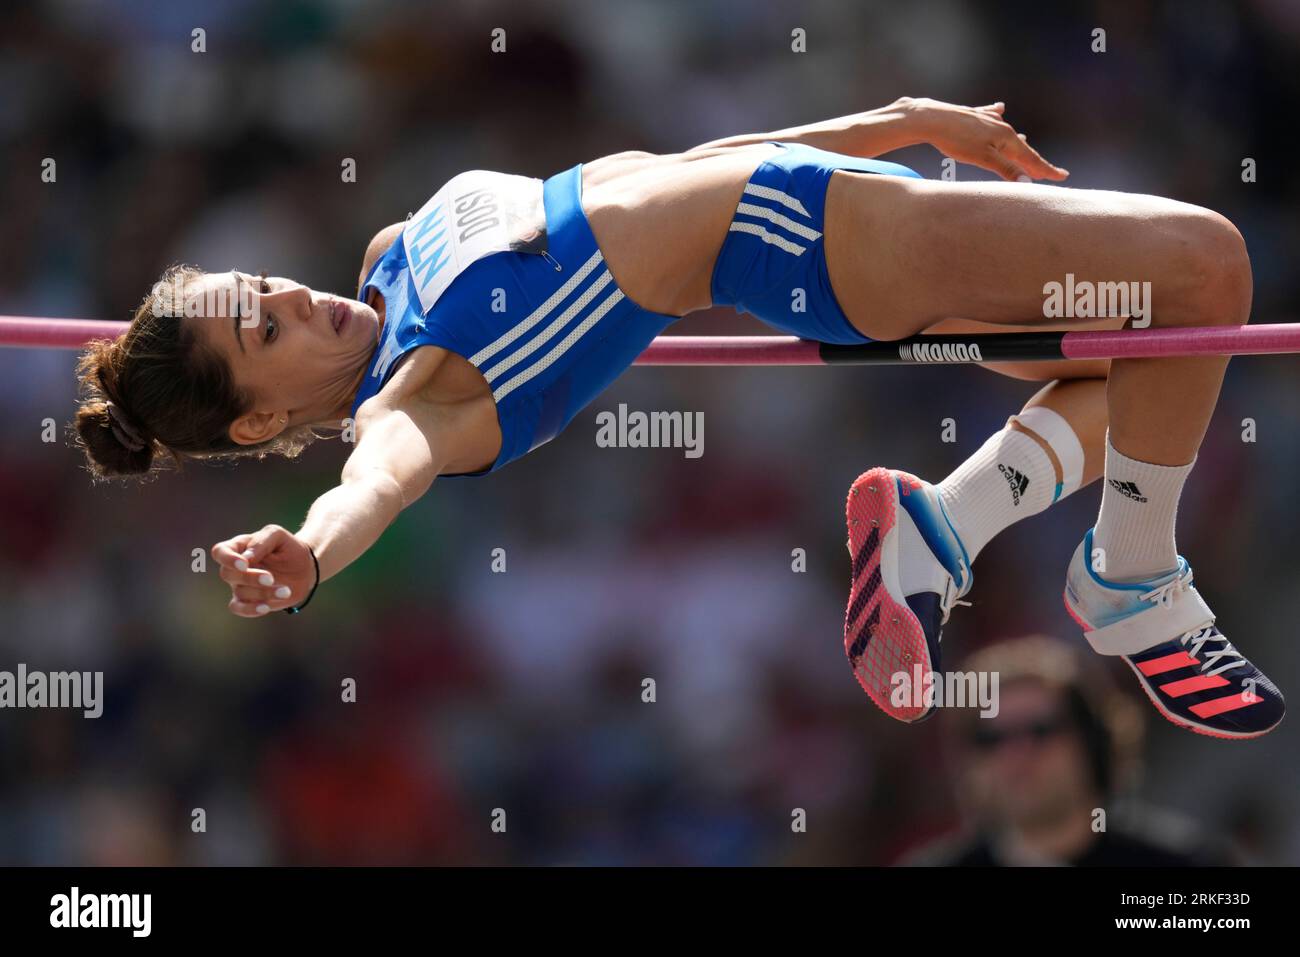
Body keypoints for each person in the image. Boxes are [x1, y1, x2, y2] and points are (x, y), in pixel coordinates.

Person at [72, 96, 1282, 738]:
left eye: (267, 288)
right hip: (839, 247)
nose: (295, 299)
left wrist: (889, 122)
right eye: (268, 332)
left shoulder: (394, 259)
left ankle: (940, 532)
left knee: (1151, 368)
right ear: (255, 421)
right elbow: (372, 484)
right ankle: (1132, 574)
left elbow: (664, 168)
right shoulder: (417, 398)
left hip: (837, 197)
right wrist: (311, 555)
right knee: (1207, 268)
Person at [900, 635, 1236, 866]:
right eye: (993, 739)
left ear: (1093, 742)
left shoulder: (1187, 864)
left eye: (1041, 731)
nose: (1018, 754)